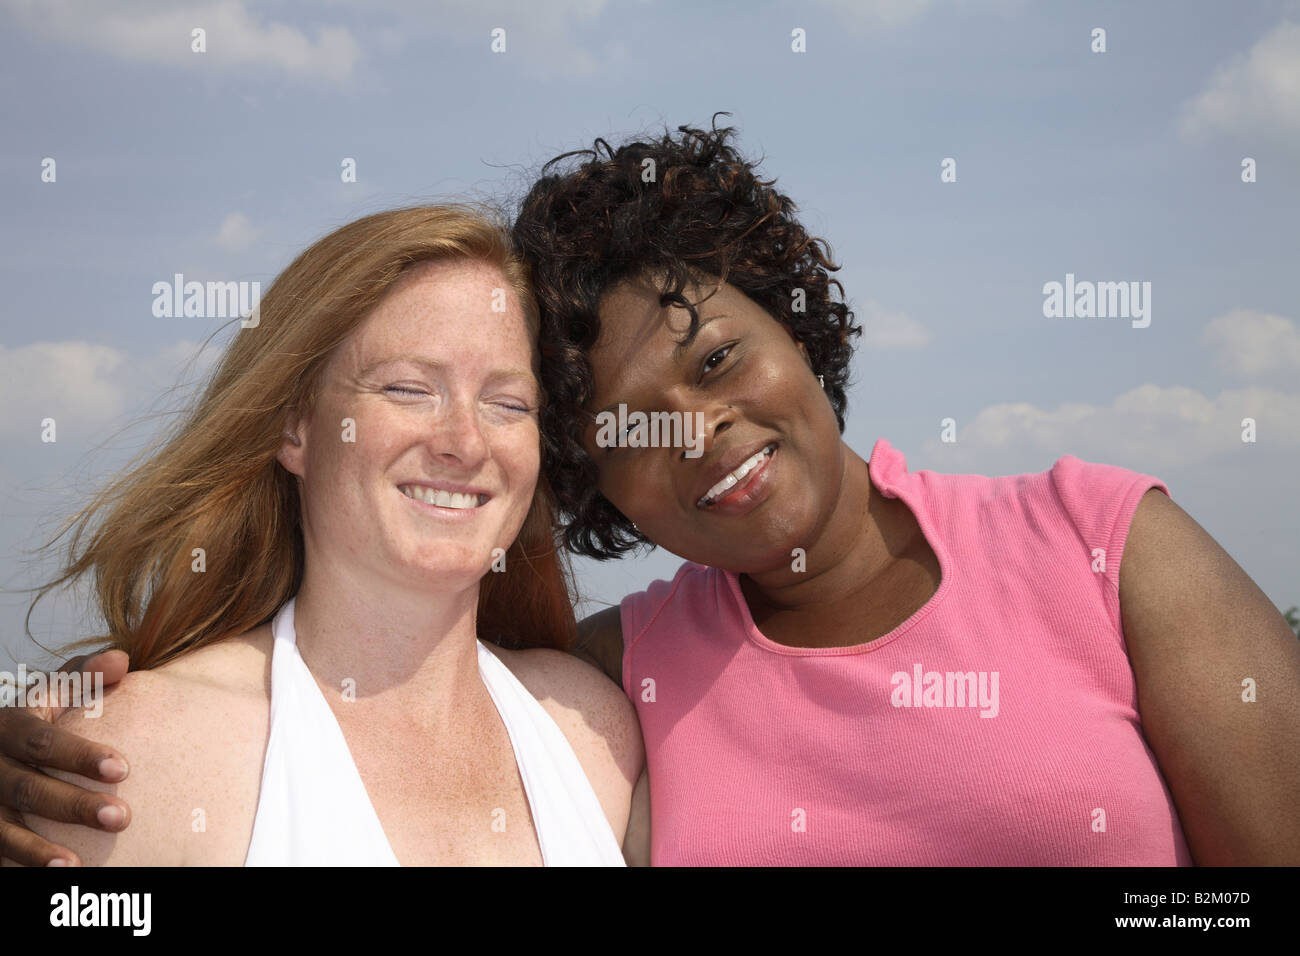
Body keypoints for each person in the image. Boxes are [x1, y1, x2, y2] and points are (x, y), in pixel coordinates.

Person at [5, 121, 1299, 866]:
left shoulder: (1103, 544)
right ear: (597, 489)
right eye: (633, 424)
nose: (707, 432)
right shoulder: (620, 686)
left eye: (723, 359)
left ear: (801, 333)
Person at [0, 205, 642, 866]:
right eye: (408, 389)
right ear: (295, 431)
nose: (465, 442)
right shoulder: (139, 755)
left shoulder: (594, 731)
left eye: (508, 404)